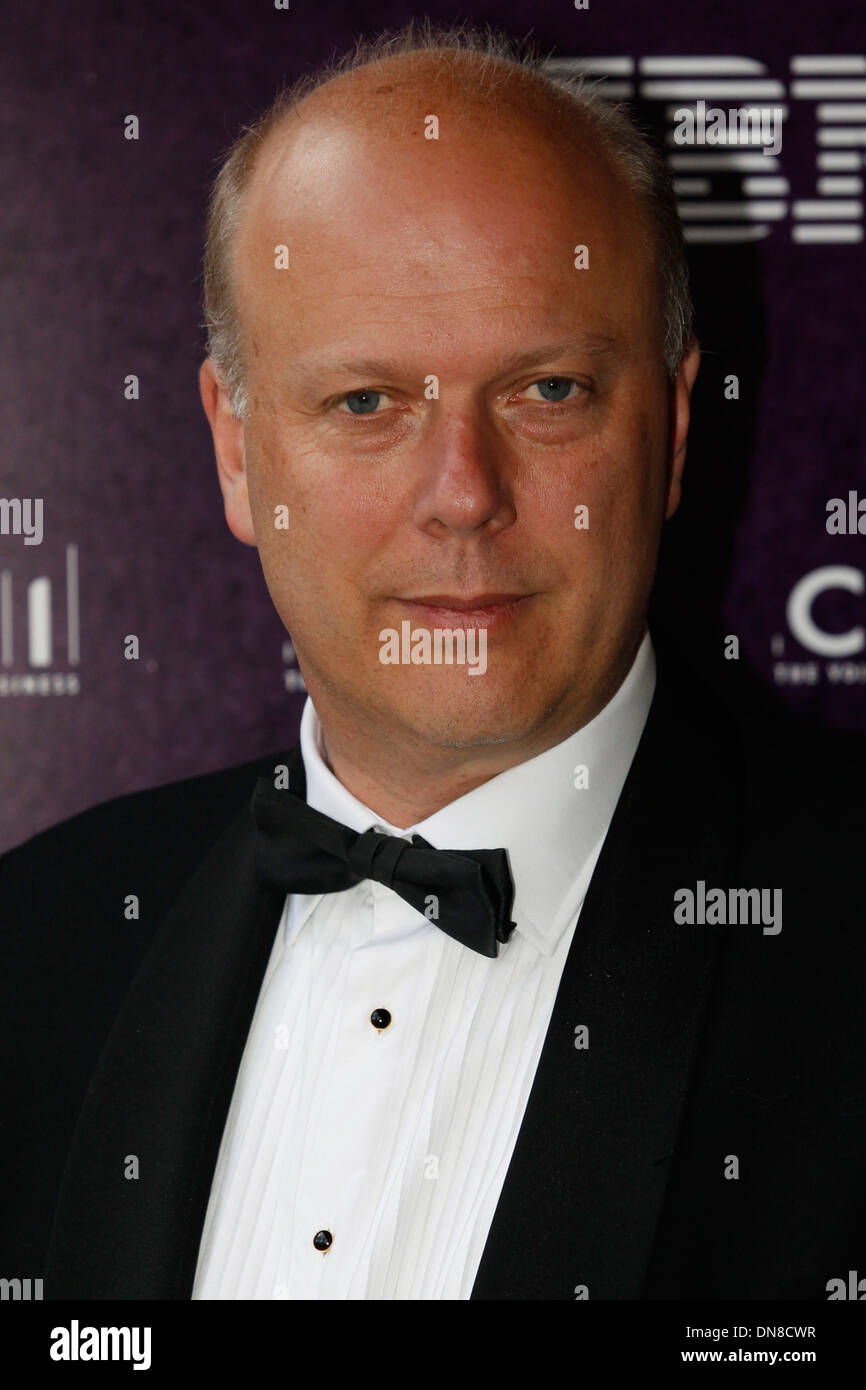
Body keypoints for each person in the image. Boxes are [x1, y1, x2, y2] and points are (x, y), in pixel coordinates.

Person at [1, 22, 864, 1302]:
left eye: (548, 391)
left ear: (674, 429)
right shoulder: (36, 943)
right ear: (236, 451)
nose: (462, 496)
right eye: (365, 403)